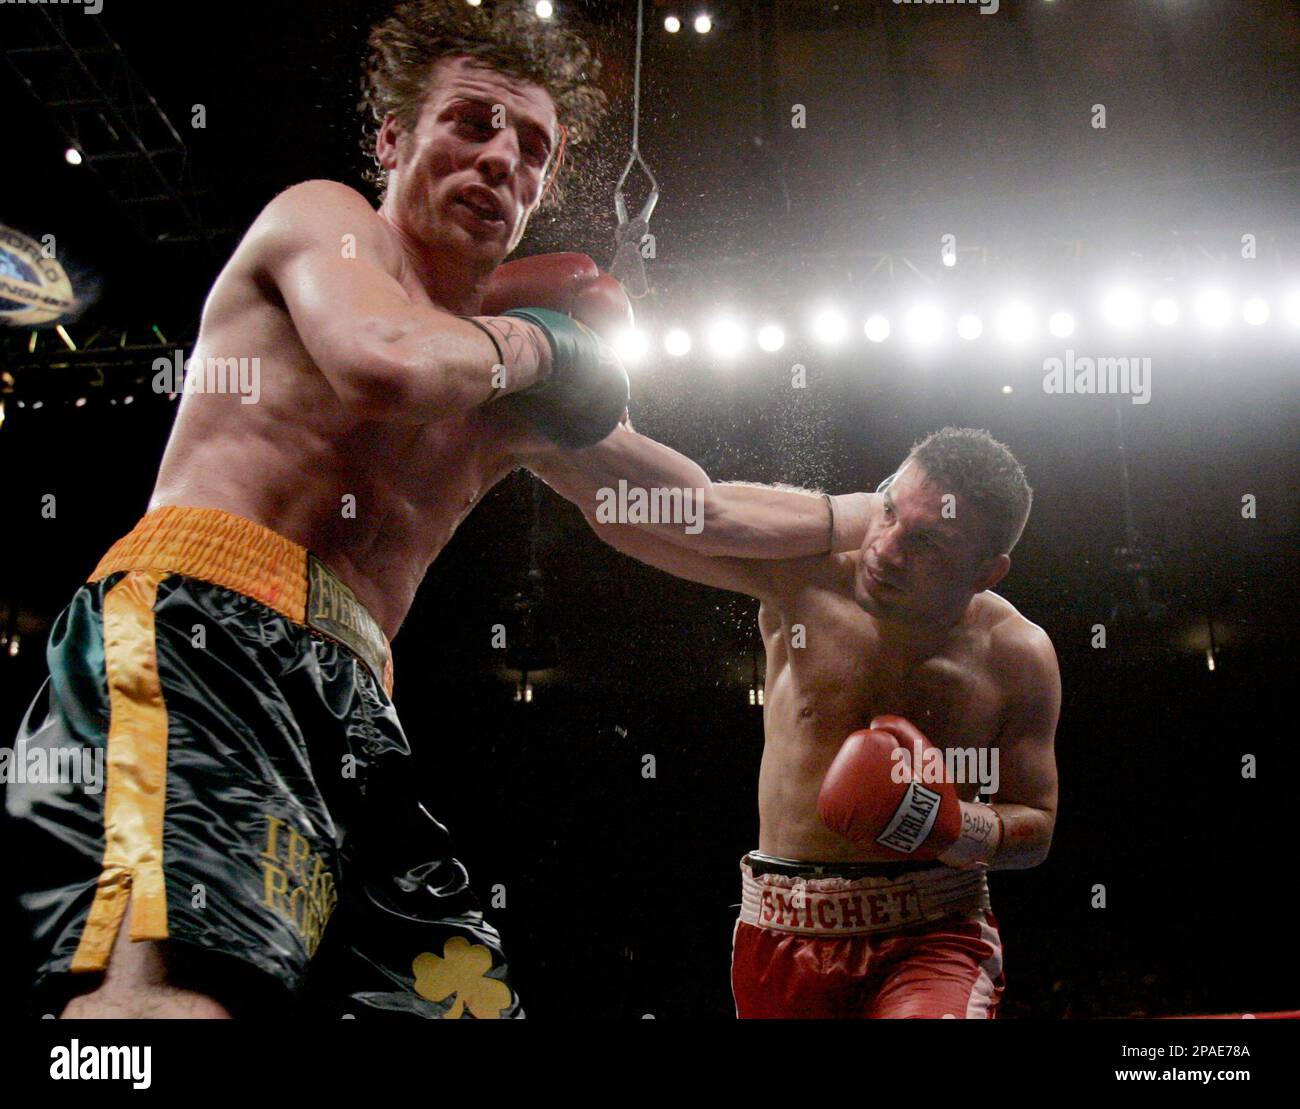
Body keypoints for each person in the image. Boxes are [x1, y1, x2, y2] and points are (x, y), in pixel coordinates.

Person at [4, 0, 850, 1019]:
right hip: (198, 632)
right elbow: (385, 361)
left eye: (532, 146)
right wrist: (546, 347)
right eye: (472, 121)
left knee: (454, 1007)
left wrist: (864, 518)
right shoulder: (329, 225)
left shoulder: (499, 389)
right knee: (174, 988)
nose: (503, 159)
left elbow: (693, 509)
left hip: (353, 702)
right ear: (393, 138)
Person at [557, 428, 1060, 1018]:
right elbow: (620, 516)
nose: (886, 549)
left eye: (927, 543)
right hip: (780, 926)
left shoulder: (1017, 655)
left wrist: (953, 826)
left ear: (985, 573)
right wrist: (562, 423)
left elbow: (1038, 829)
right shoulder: (807, 573)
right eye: (889, 511)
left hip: (932, 931)